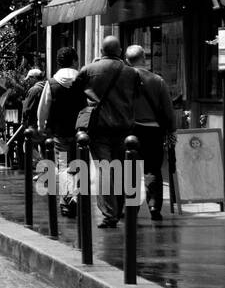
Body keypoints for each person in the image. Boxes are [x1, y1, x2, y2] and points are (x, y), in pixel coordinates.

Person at [77, 36, 142, 228]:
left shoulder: (88, 70)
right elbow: (136, 97)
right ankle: (122, 209)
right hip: (124, 128)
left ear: (101, 51)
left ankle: (109, 214)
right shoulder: (132, 73)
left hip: (98, 127)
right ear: (120, 51)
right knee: (122, 169)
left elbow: (77, 94)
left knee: (104, 169)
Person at [125, 44, 176, 222]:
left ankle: (132, 206)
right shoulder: (157, 80)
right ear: (144, 59)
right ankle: (154, 205)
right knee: (153, 168)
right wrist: (171, 130)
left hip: (130, 131)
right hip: (153, 130)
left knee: (131, 169)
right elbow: (168, 110)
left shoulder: (123, 80)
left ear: (127, 60)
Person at [36, 47, 82, 216]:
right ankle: (76, 197)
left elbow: (43, 108)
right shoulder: (81, 80)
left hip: (60, 132)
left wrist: (41, 127)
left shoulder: (52, 83)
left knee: (63, 166)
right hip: (80, 132)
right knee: (79, 165)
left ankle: (65, 201)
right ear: (75, 61)